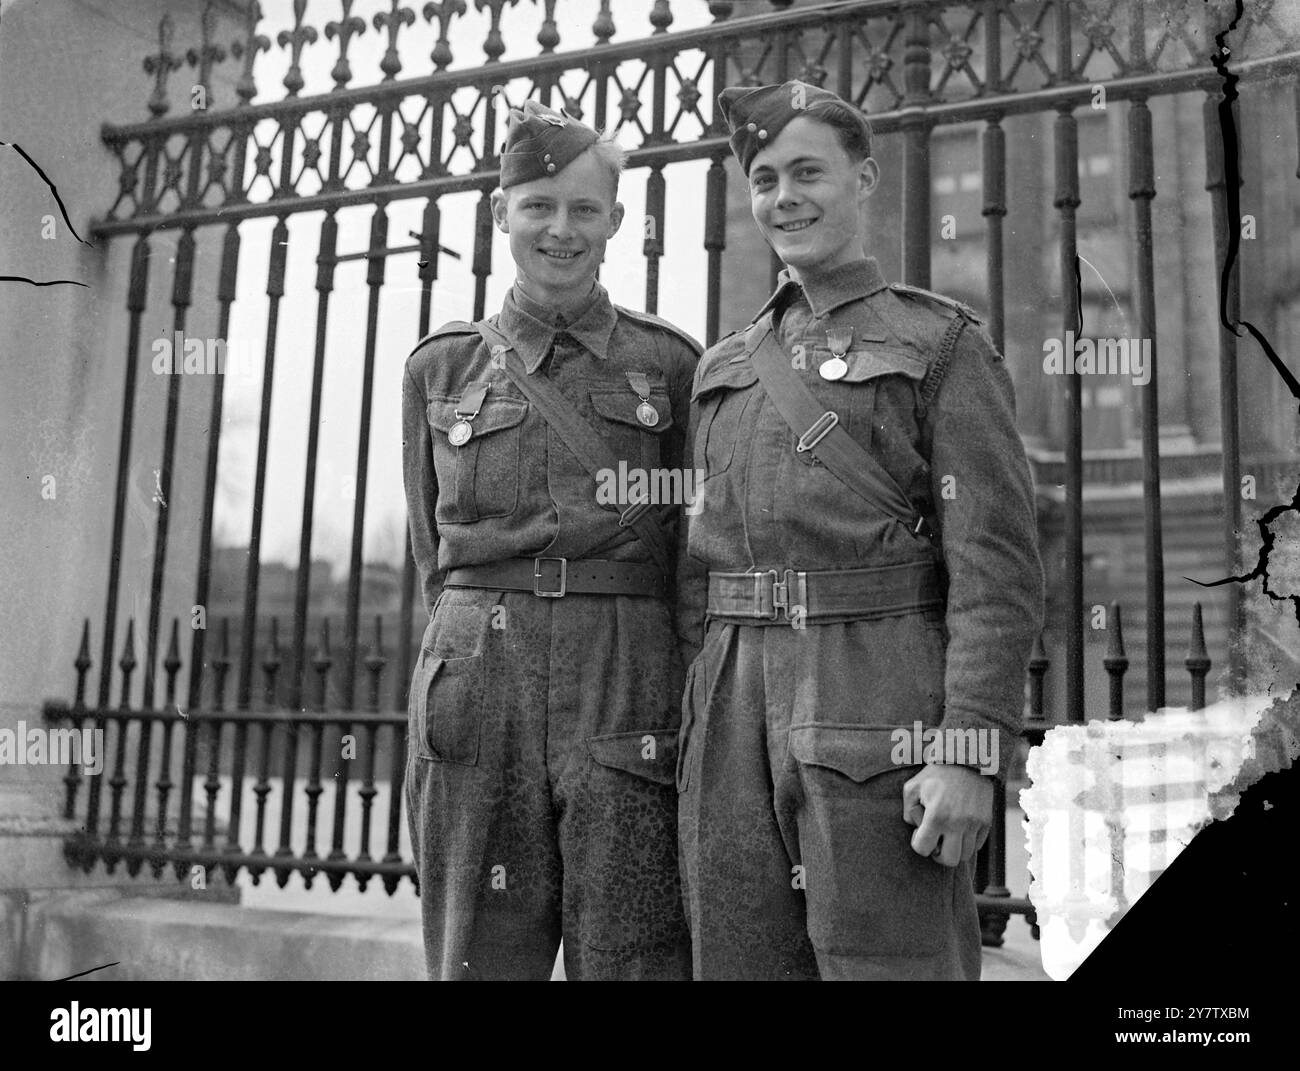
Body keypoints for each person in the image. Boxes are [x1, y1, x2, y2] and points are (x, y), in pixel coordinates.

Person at [674, 81, 1044, 980]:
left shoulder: (942, 343)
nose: (785, 197)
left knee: (890, 967)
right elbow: (696, 568)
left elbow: (995, 567)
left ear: (865, 177)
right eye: (765, 179)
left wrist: (970, 752)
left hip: (877, 698)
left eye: (809, 172)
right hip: (731, 708)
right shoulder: (723, 365)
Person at [401, 99, 699, 980]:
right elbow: (432, 554)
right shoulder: (440, 366)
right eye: (537, 205)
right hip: (477, 670)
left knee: (637, 952)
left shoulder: (671, 364)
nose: (559, 229)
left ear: (616, 220)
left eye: (582, 208)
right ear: (501, 215)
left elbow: (692, 551)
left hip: (627, 671)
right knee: (477, 955)